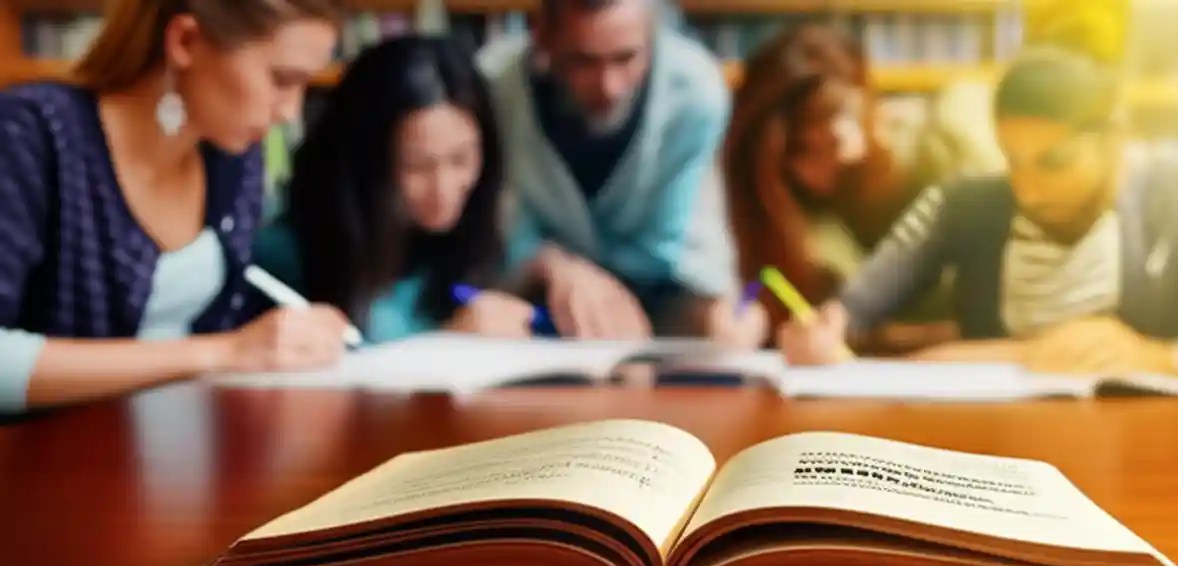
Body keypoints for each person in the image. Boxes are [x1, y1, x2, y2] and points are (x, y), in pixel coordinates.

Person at [780, 47, 1178, 380]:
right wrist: (820, 336)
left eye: (1055, 162)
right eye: (1013, 161)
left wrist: (1174, 358)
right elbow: (854, 306)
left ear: (1114, 139)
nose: (1029, 191)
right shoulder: (962, 204)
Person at [0, 0, 350, 416]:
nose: (290, 112)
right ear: (184, 41)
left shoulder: (235, 159)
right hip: (52, 464)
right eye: (281, 79)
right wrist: (228, 351)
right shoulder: (28, 134)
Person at [478, 0, 760, 344]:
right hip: (532, 299)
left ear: (654, 37)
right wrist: (554, 266)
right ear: (542, 38)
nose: (609, 86)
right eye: (583, 61)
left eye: (626, 58)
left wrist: (718, 318)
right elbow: (492, 232)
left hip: (659, 295)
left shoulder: (695, 92)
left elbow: (679, 244)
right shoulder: (493, 88)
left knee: (722, 330)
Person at [255, 37, 536, 343]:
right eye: (417, 166)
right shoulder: (286, 253)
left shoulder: (480, 225)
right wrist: (447, 342)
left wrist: (557, 270)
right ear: (366, 161)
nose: (443, 189)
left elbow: (529, 257)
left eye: (461, 159)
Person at [724, 24, 957, 353]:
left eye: (832, 144)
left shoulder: (924, 164)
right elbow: (754, 286)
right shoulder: (761, 200)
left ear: (865, 112)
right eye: (799, 150)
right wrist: (741, 315)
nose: (814, 172)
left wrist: (875, 336)